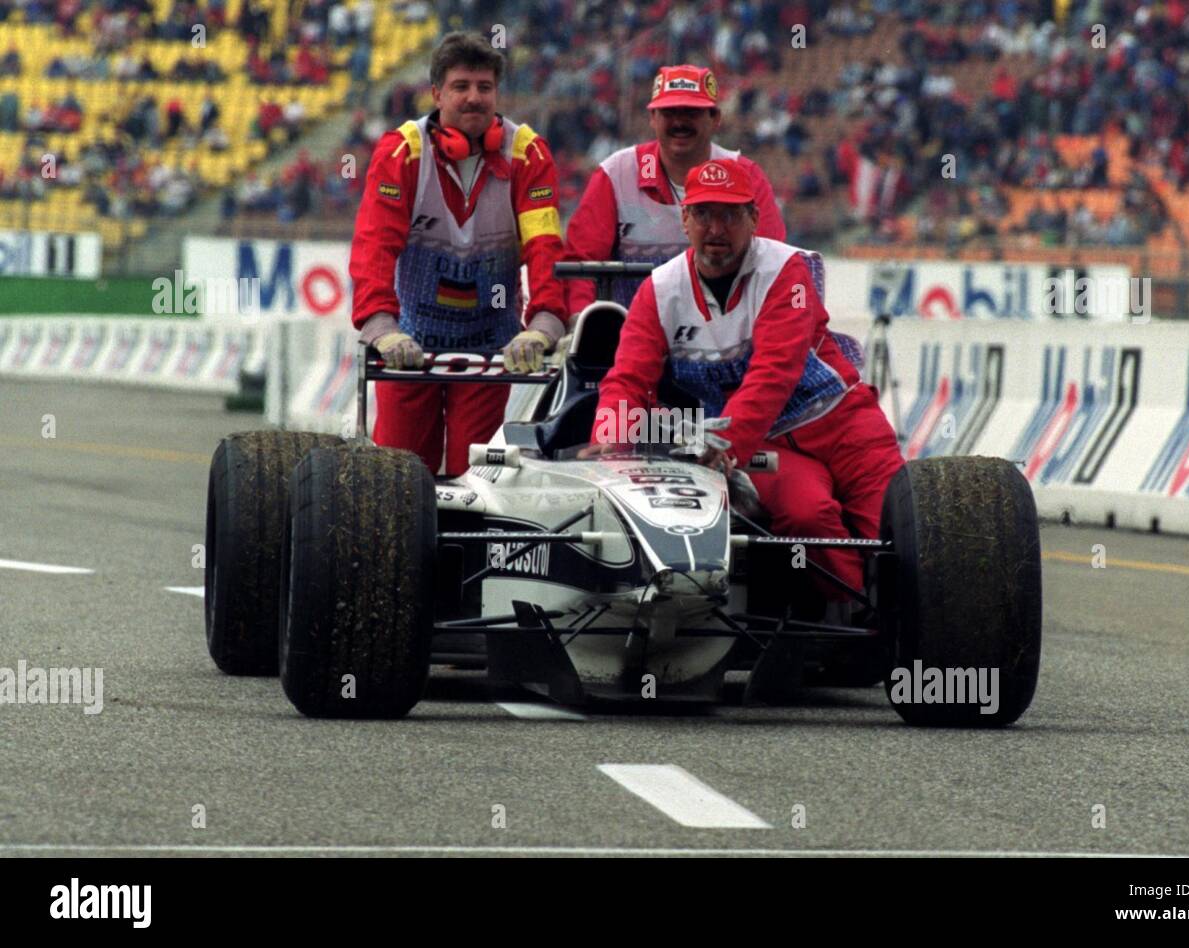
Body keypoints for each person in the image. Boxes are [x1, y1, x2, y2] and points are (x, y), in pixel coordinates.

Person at [580, 158, 904, 599]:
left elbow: (774, 372)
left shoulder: (786, 270)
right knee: (807, 517)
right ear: (685, 219)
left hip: (840, 421)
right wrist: (610, 437)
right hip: (763, 442)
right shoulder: (658, 290)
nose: (717, 229)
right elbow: (628, 379)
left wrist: (725, 445)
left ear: (754, 219)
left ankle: (917, 621)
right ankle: (858, 618)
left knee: (901, 527)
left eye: (730, 215)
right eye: (705, 214)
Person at [349, 31, 566, 476]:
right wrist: (381, 325)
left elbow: (545, 246)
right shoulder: (401, 152)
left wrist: (543, 325)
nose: (474, 98)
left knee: (478, 481)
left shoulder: (529, 153)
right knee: (399, 475)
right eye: (461, 87)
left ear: (497, 94)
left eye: (484, 88)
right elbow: (374, 246)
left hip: (489, 346)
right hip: (407, 345)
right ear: (436, 93)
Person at [562, 64, 785, 315]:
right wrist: (580, 321)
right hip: (629, 337)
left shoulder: (747, 176)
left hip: (724, 335)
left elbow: (774, 266)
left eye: (691, 112)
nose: (679, 122)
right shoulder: (615, 174)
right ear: (653, 118)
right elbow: (581, 263)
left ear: (715, 119)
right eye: (669, 112)